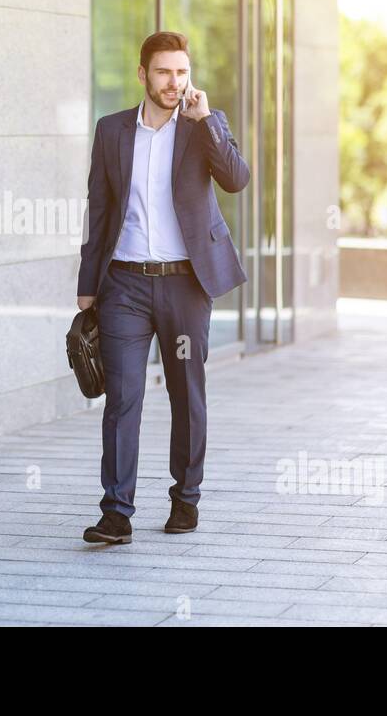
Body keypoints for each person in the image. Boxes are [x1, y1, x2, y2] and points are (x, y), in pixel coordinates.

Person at [76, 31, 251, 544]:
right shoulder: (111, 132)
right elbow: (100, 211)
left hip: (185, 285)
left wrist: (209, 122)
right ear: (142, 75)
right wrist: (88, 288)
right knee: (123, 398)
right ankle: (116, 513)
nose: (175, 82)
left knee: (185, 393)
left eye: (181, 72)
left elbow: (237, 179)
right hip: (124, 285)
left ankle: (186, 498)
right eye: (164, 72)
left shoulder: (202, 126)